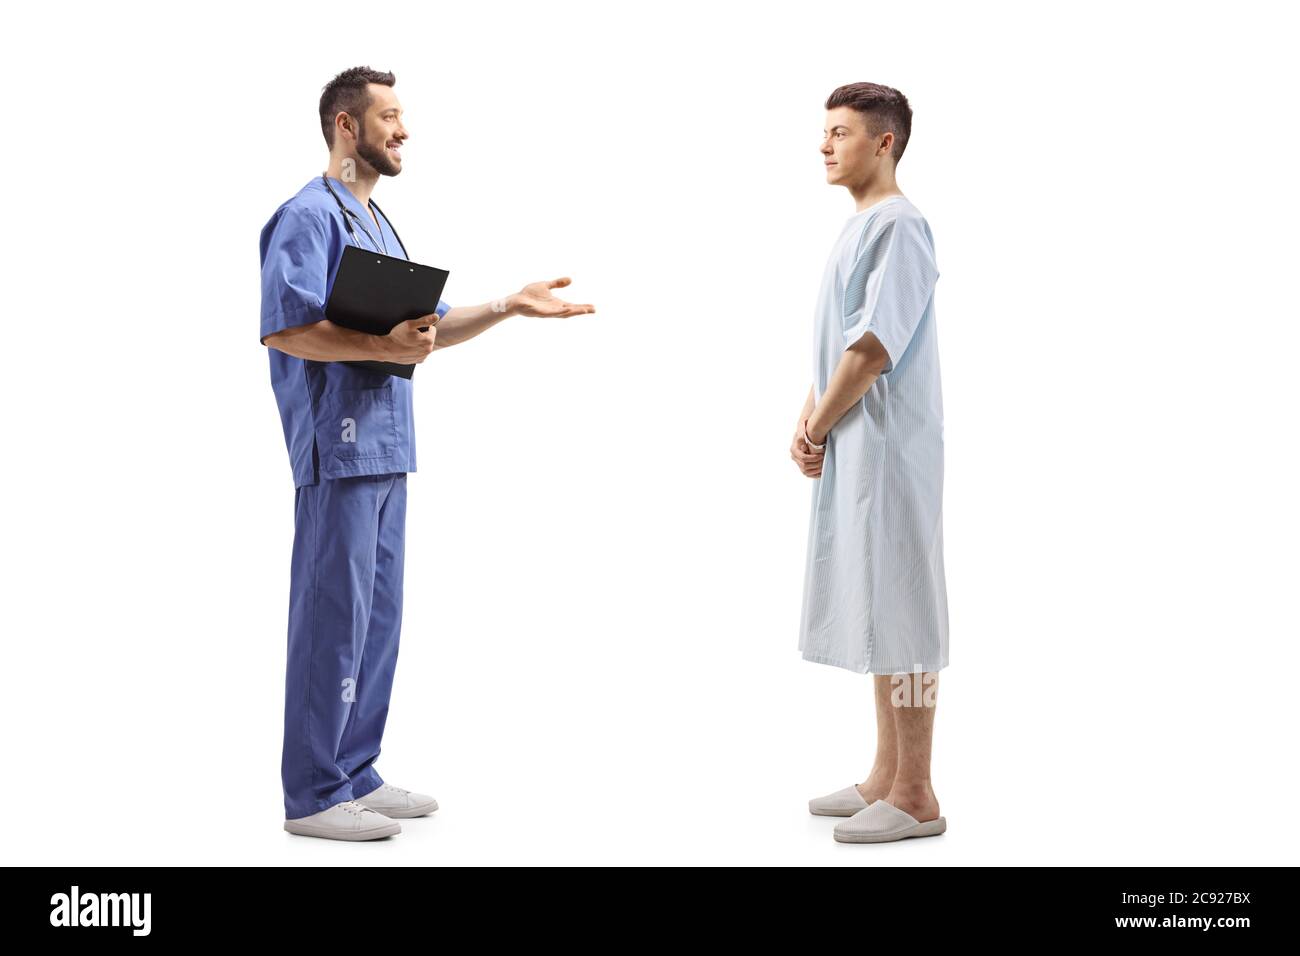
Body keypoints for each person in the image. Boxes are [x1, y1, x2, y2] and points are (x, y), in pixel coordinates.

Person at [260, 66, 595, 841]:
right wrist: (381, 341)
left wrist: (509, 304)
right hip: (338, 449)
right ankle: (312, 793)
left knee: (377, 619)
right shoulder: (308, 217)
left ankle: (355, 772)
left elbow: (431, 327)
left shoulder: (377, 223)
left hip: (387, 450)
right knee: (332, 618)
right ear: (347, 127)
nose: (403, 130)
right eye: (390, 116)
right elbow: (285, 327)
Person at [793, 83, 948, 844]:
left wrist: (819, 426)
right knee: (882, 608)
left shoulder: (902, 227)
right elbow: (841, 339)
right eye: (823, 132)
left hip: (889, 451)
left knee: (907, 613)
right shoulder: (862, 226)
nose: (825, 145)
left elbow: (875, 347)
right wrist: (809, 411)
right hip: (859, 446)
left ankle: (917, 793)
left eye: (840, 132)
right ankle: (885, 775)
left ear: (883, 142)